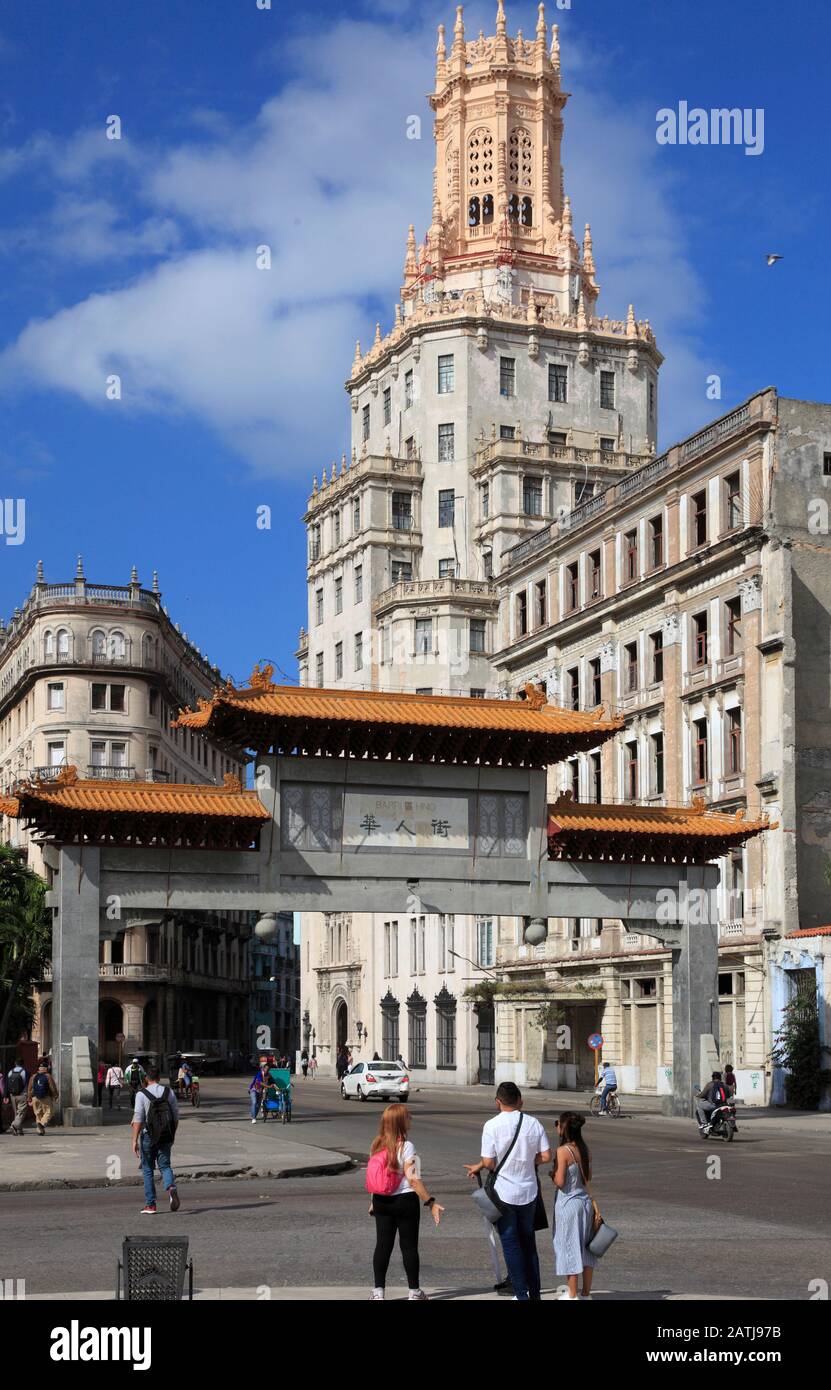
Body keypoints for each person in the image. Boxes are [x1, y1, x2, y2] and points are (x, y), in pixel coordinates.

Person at [465, 1082, 551, 1302]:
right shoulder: (533, 1123)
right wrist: (526, 1162)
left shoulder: (491, 1125)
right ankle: (534, 1295)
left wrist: (492, 1166)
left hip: (503, 1194)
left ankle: (520, 1294)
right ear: (520, 1100)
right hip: (529, 1192)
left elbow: (489, 1161)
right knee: (529, 1244)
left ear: (498, 1102)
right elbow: (546, 1156)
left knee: (511, 1244)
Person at [367, 1103, 443, 1301]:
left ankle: (378, 1293)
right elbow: (413, 1179)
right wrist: (430, 1201)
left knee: (382, 1245)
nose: (411, 1118)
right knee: (408, 1247)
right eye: (408, 1116)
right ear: (400, 1122)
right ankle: (414, 1292)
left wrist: (373, 1201)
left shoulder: (376, 1144)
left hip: (381, 1200)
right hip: (405, 1201)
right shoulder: (407, 1147)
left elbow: (375, 1176)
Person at [552, 1112, 599, 1301]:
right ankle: (586, 1293)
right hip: (585, 1204)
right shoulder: (585, 1149)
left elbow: (560, 1182)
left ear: (564, 1128)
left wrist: (553, 1174)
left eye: (558, 1124)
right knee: (586, 1250)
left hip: (568, 1205)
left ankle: (572, 1295)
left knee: (569, 1248)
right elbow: (588, 1178)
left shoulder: (563, 1151)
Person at [132, 1063, 180, 1215]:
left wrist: (134, 1140)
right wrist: (172, 1135)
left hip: (148, 1136)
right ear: (159, 1077)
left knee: (147, 1169)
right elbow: (176, 1117)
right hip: (166, 1135)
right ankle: (171, 1186)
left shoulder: (141, 1094)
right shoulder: (169, 1092)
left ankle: (151, 1205)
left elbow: (138, 1119)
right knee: (165, 1165)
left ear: (146, 1078)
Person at [27, 1061, 58, 1134]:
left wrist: (29, 1098)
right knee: (50, 1112)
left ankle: (40, 1130)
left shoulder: (33, 1076)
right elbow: (52, 1087)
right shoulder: (48, 1076)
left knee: (38, 1113)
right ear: (46, 1068)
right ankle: (42, 1124)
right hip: (45, 1097)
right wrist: (55, 1095)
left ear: (39, 1068)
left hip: (35, 1097)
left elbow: (29, 1088)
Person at [7, 1058, 29, 1135]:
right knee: (21, 1113)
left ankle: (18, 1130)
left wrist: (6, 1096)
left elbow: (7, 1084)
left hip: (12, 1095)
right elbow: (27, 1084)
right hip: (22, 1095)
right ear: (23, 1064)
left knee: (16, 1113)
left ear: (15, 1063)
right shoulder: (24, 1072)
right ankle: (14, 1125)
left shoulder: (10, 1072)